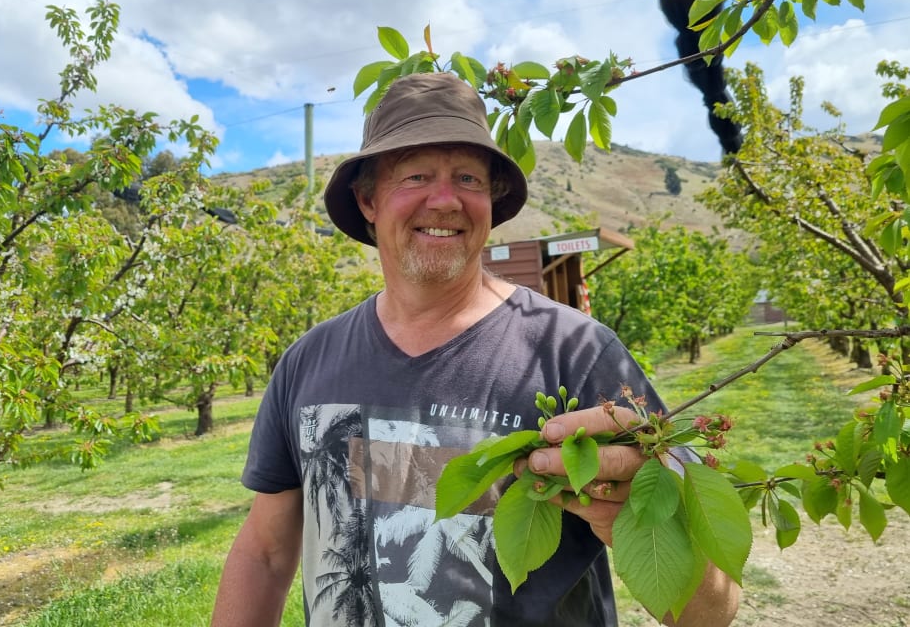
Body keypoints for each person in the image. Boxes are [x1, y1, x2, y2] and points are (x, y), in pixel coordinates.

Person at [210, 72, 739, 626]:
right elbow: (265, 553)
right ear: (368, 200)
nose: (445, 200)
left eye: (468, 178)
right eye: (416, 175)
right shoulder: (308, 361)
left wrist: (636, 513)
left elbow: (710, 613)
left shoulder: (576, 352)